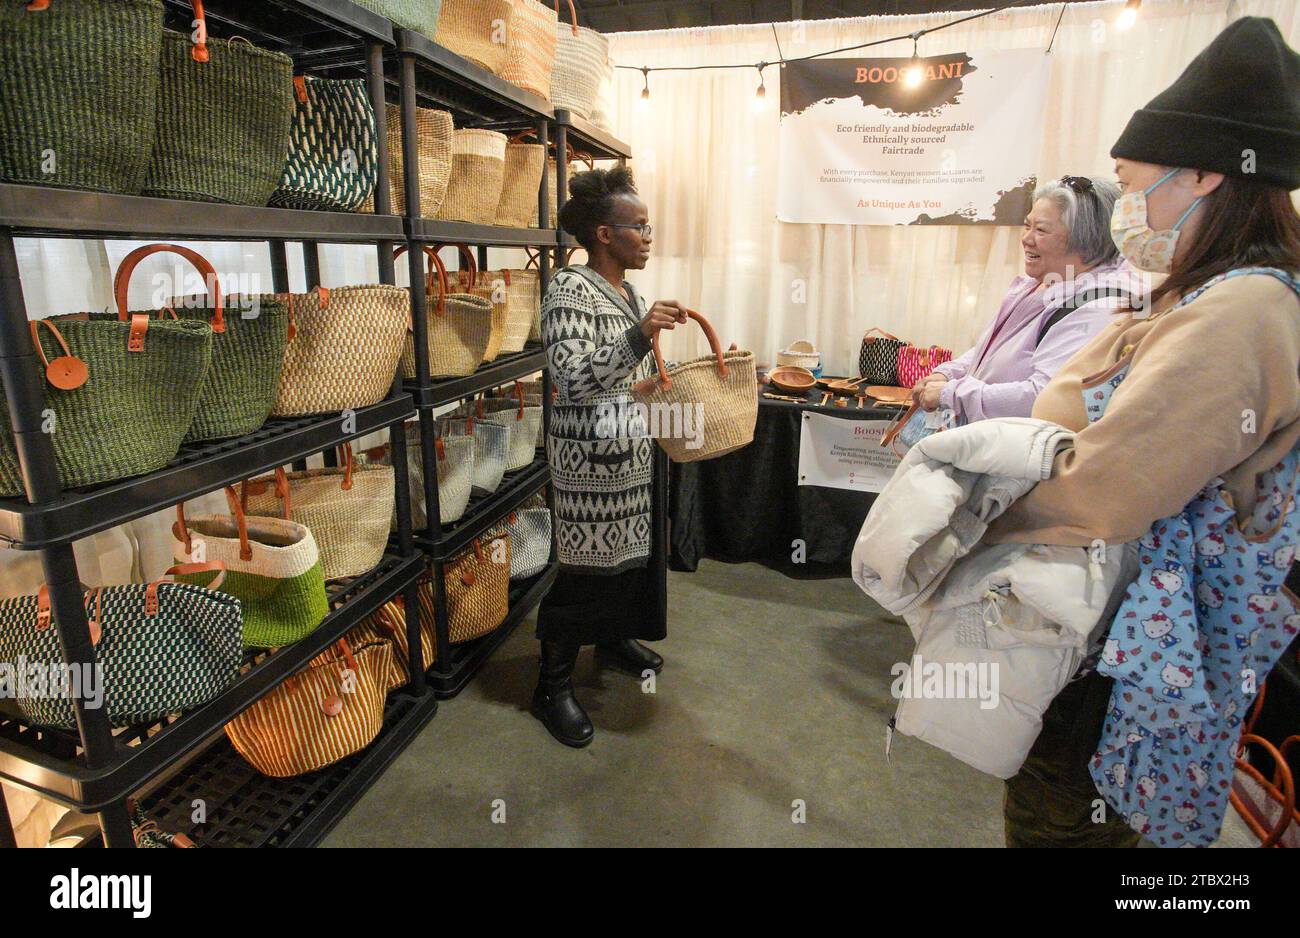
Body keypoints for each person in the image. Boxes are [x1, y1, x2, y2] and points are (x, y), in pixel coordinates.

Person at [983, 17, 1300, 846]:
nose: (1126, 209)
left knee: (1066, 823)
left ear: (1202, 176)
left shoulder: (1243, 310)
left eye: (1132, 184)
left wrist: (973, 535)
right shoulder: (1206, 296)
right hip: (1110, 630)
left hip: (1117, 652)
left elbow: (1102, 491)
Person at [533, 167, 687, 748]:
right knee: (584, 571)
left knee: (630, 559)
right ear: (603, 233)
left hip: (632, 450)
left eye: (649, 227)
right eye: (638, 227)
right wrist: (639, 335)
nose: (648, 237)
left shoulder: (628, 292)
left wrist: (657, 387)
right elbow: (571, 380)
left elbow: (625, 381)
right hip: (589, 462)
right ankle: (551, 687)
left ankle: (613, 638)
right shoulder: (568, 291)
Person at [913, 176, 1138, 421]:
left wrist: (952, 394)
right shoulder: (1042, 284)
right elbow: (992, 352)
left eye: (1041, 230)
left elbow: (1044, 397)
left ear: (1085, 239)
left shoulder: (1099, 309)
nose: (1026, 239)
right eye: (1027, 225)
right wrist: (949, 374)